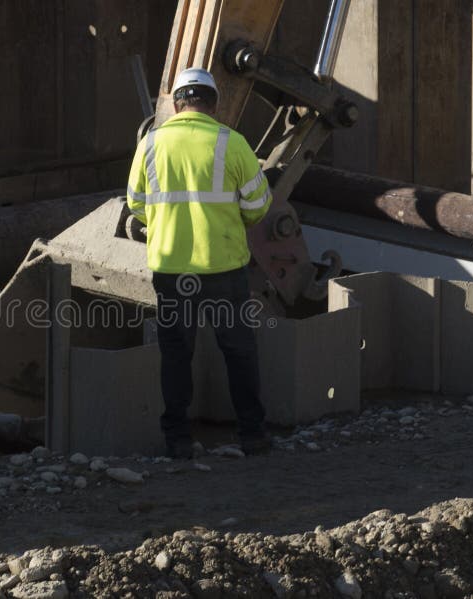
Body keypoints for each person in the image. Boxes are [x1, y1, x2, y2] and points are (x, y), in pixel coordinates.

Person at [126, 67, 273, 458]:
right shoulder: (232, 142)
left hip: (172, 271)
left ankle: (178, 441)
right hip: (224, 268)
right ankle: (253, 436)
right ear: (213, 104)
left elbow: (136, 204)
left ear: (177, 104)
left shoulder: (151, 145)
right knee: (239, 351)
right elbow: (259, 205)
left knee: (176, 355)